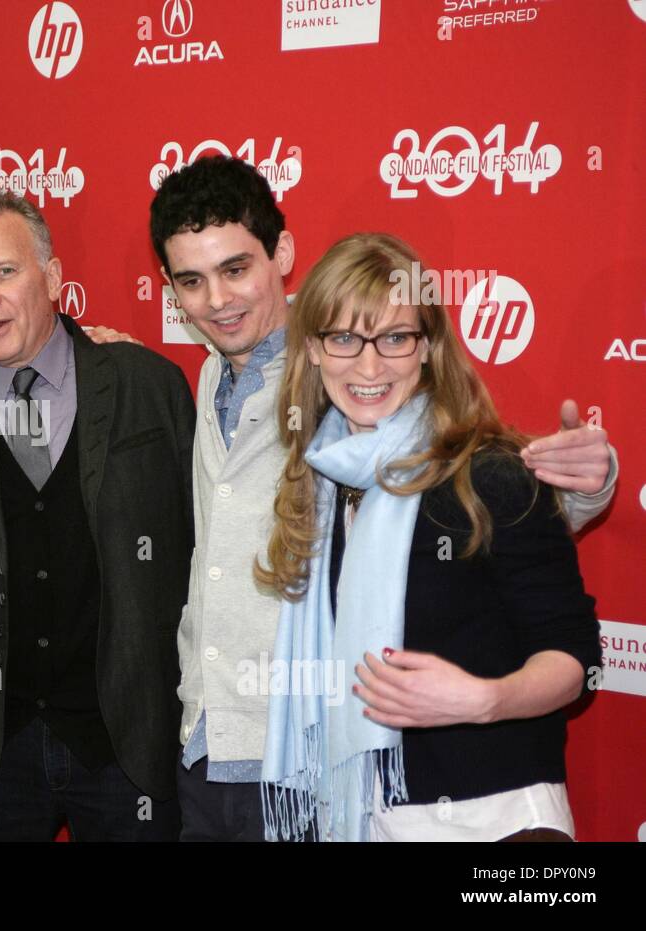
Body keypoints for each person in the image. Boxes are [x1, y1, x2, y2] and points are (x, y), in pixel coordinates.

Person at [148, 155, 617, 841]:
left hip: (453, 801)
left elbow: (502, 518)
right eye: (191, 280)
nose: (217, 298)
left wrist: (593, 479)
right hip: (306, 781)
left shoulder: (413, 435)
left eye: (236, 268)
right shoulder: (239, 398)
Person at [254, 232, 601, 841]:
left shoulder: (490, 474)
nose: (369, 366)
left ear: (427, 347)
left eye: (394, 337)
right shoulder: (324, 476)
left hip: (500, 820)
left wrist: (483, 700)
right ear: (312, 349)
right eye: (343, 338)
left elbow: (575, 658)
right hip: (367, 821)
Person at [0, 193, 195, 840]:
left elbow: (197, 542)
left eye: (4, 272)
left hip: (127, 742)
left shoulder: (145, 384)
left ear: (50, 278)